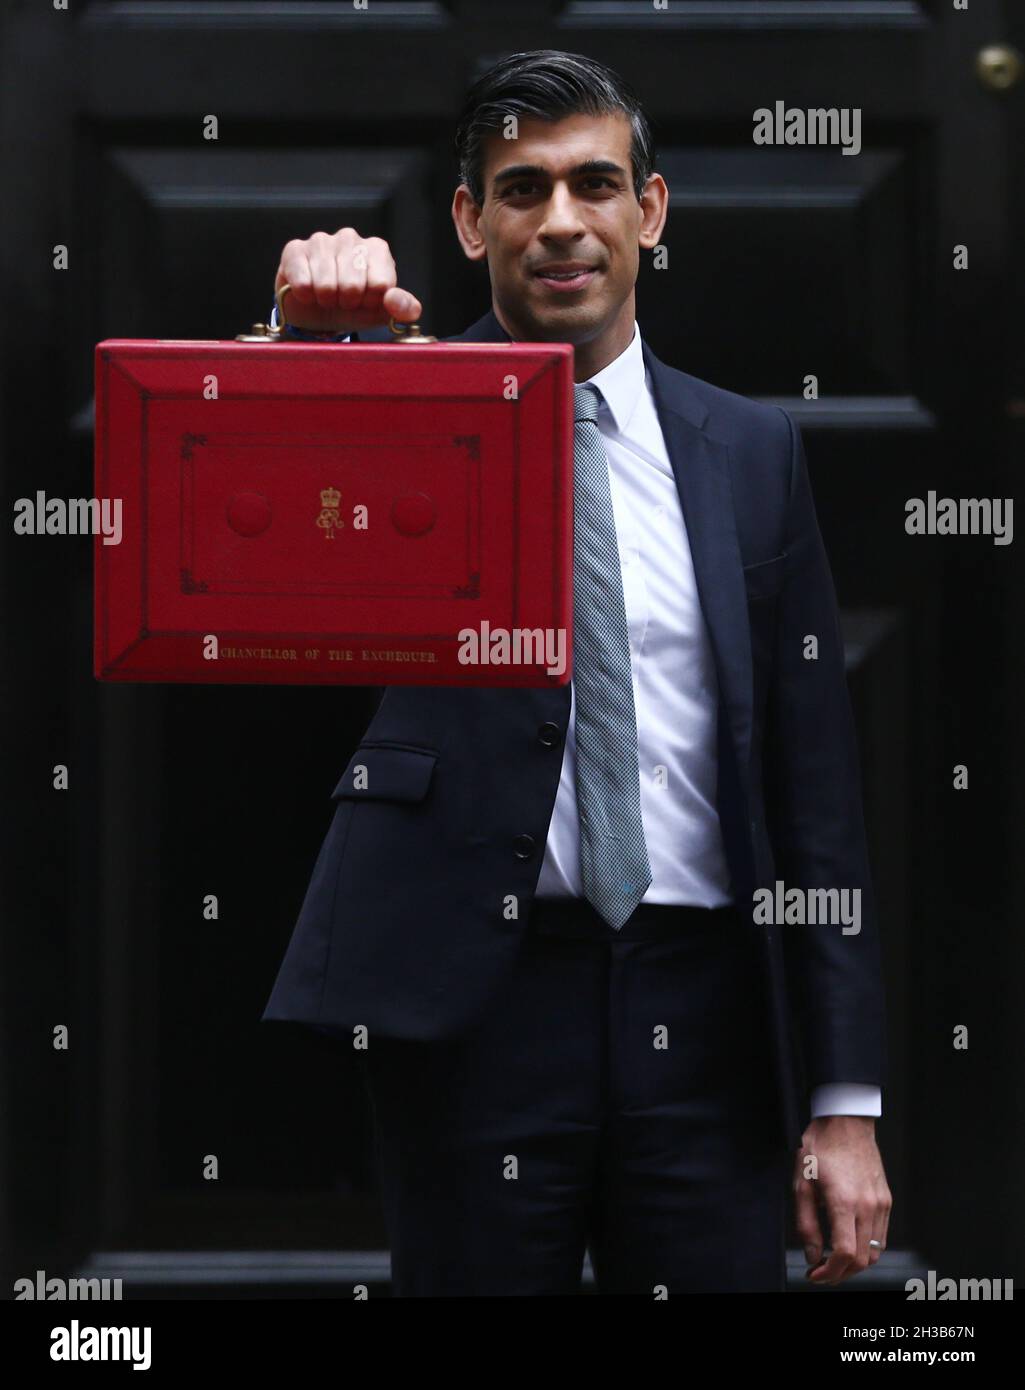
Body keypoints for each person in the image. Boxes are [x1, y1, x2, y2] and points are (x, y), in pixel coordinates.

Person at [261, 49, 892, 1296]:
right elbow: (242, 521)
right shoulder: (394, 415)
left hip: (707, 1010)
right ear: (467, 218)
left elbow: (813, 791)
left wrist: (842, 1099)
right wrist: (303, 340)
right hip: (479, 1009)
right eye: (520, 188)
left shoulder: (750, 451)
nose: (560, 222)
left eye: (595, 185)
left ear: (647, 212)